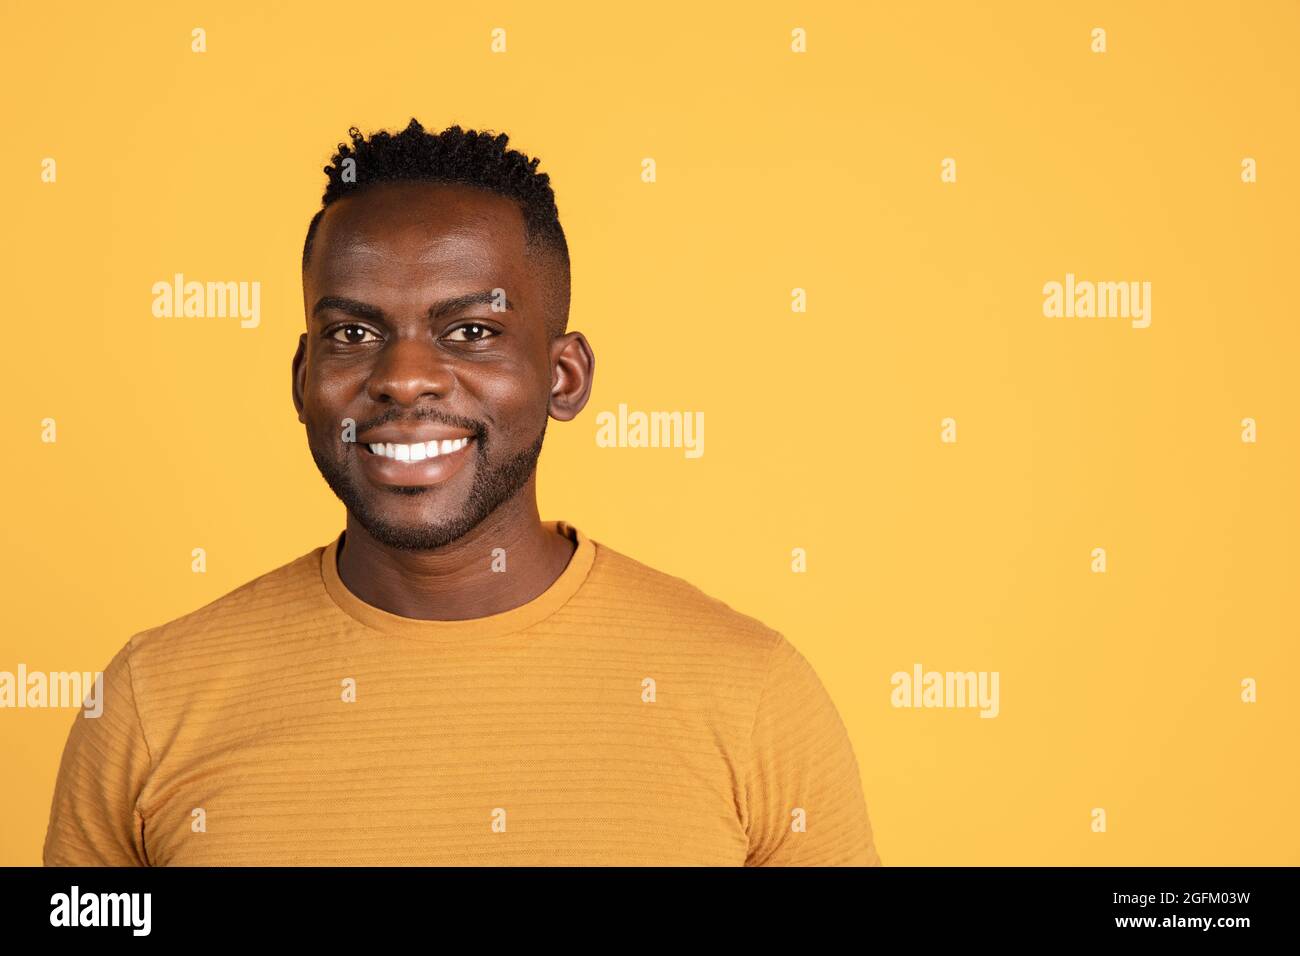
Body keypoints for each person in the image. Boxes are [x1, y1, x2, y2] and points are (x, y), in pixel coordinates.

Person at [43, 120, 882, 866]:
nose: (405, 379)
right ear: (305, 381)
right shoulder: (150, 703)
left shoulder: (753, 698)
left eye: (471, 331)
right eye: (354, 333)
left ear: (563, 375)